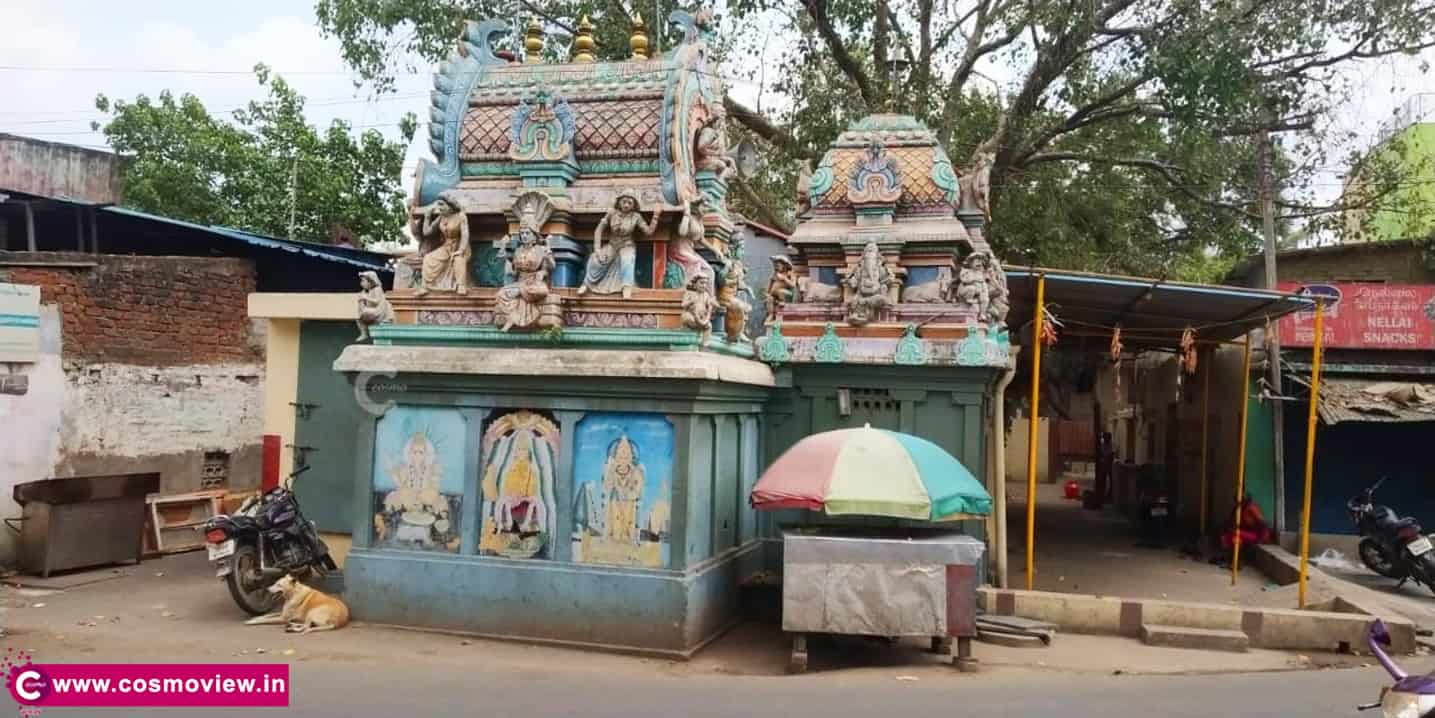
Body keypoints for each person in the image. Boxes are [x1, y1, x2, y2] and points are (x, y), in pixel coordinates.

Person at [1219, 494, 1272, 562]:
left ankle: (1237, 559)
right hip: (1245, 533)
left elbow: (1263, 523)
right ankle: (1230, 557)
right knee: (1226, 536)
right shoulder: (1237, 509)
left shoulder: (1251, 508)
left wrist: (1262, 539)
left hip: (1256, 535)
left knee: (1235, 536)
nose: (1237, 502)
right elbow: (1230, 522)